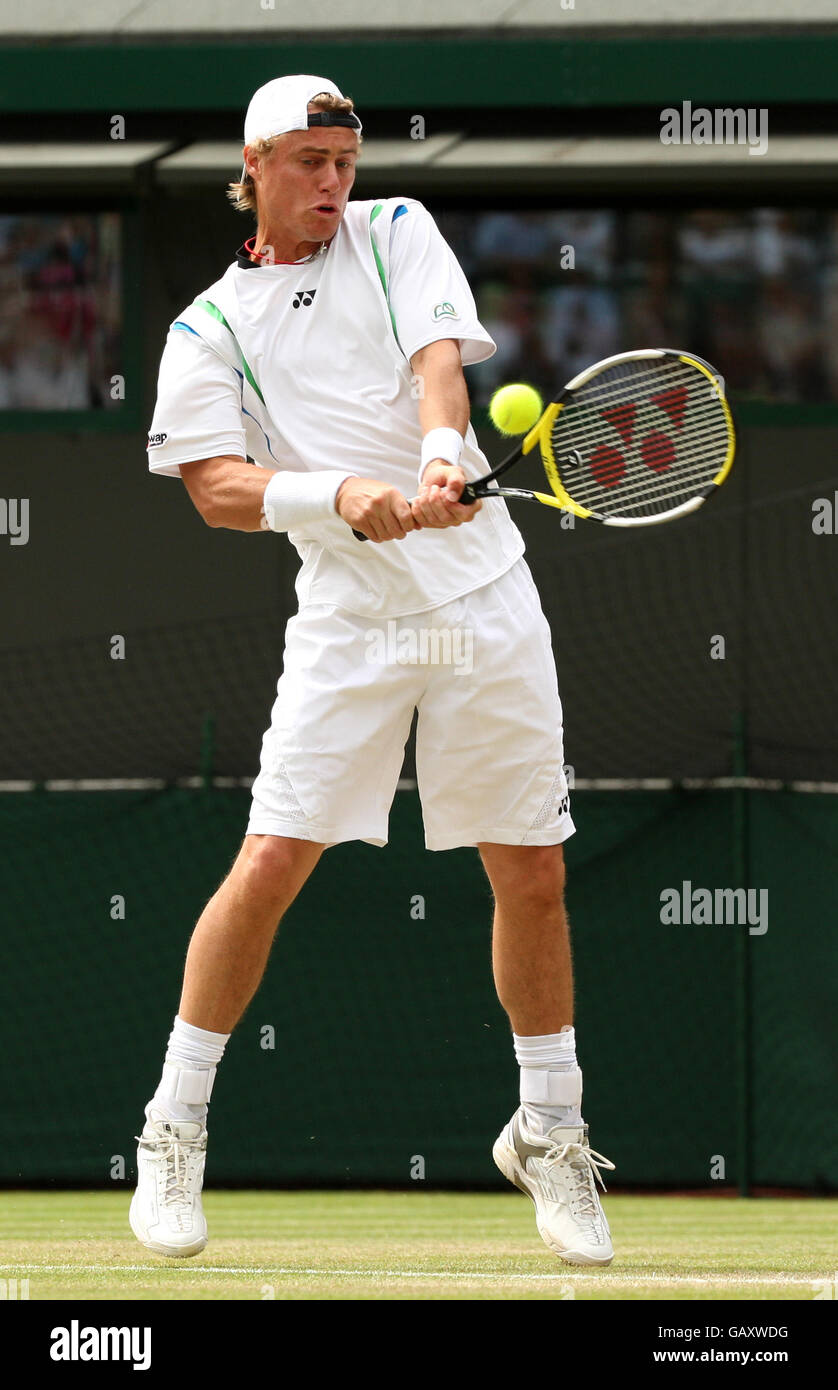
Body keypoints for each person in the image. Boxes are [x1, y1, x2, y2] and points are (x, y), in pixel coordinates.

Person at [131, 73, 614, 1267]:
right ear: (252, 164)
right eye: (307, 161)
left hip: (485, 598)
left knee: (534, 871)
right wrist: (342, 494)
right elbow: (216, 491)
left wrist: (443, 454)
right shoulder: (209, 328)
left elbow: (434, 363)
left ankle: (549, 1128)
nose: (332, 182)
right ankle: (173, 1124)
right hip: (350, 625)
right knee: (272, 860)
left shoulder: (395, 230)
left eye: (343, 158)